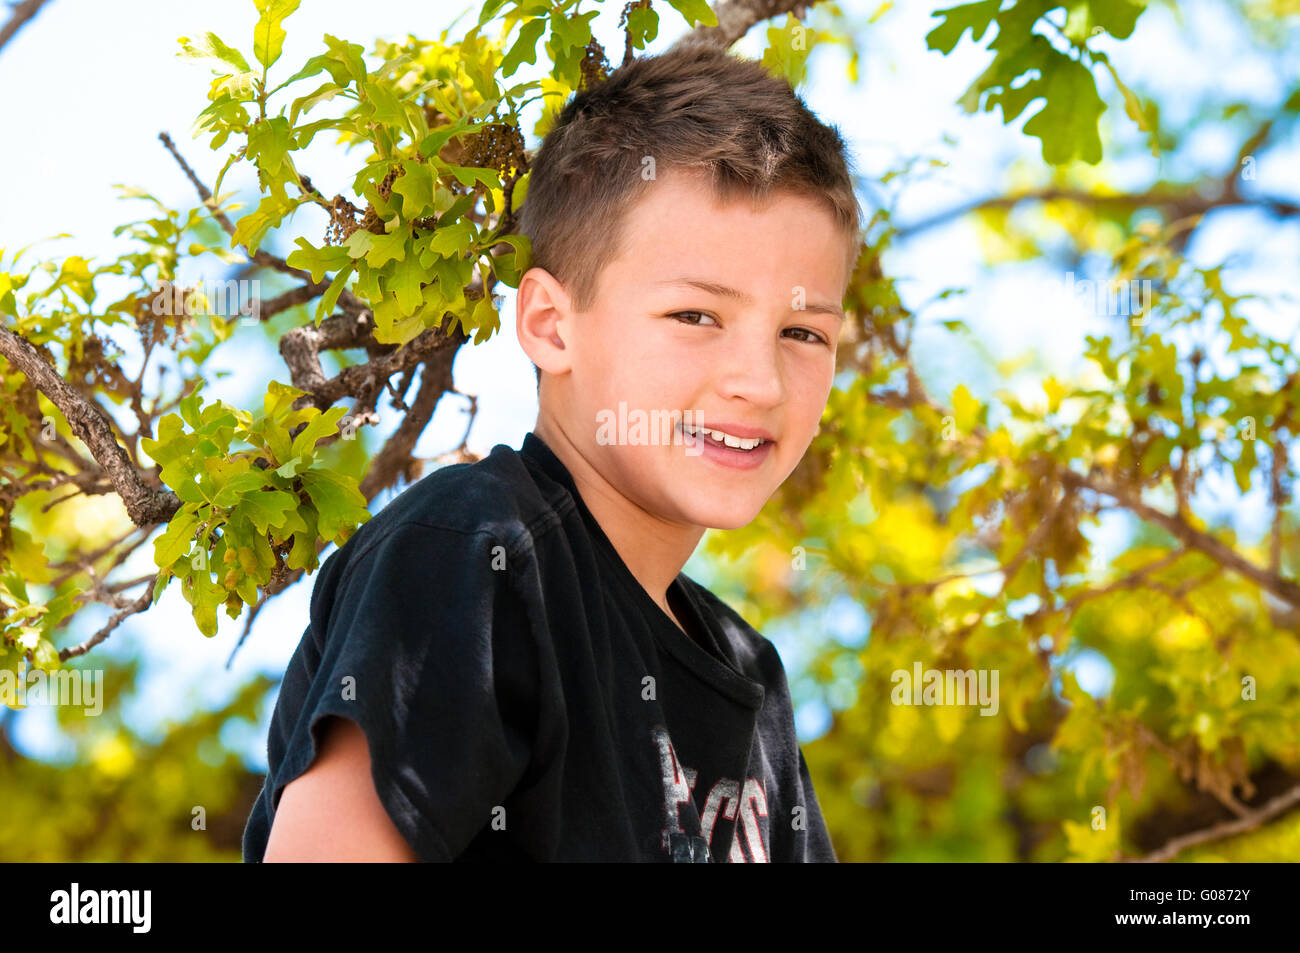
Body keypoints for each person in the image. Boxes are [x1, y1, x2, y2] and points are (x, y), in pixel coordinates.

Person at [243, 40, 861, 863]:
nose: (759, 381)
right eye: (695, 316)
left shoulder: (751, 677)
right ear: (550, 325)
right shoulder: (476, 555)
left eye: (801, 332)